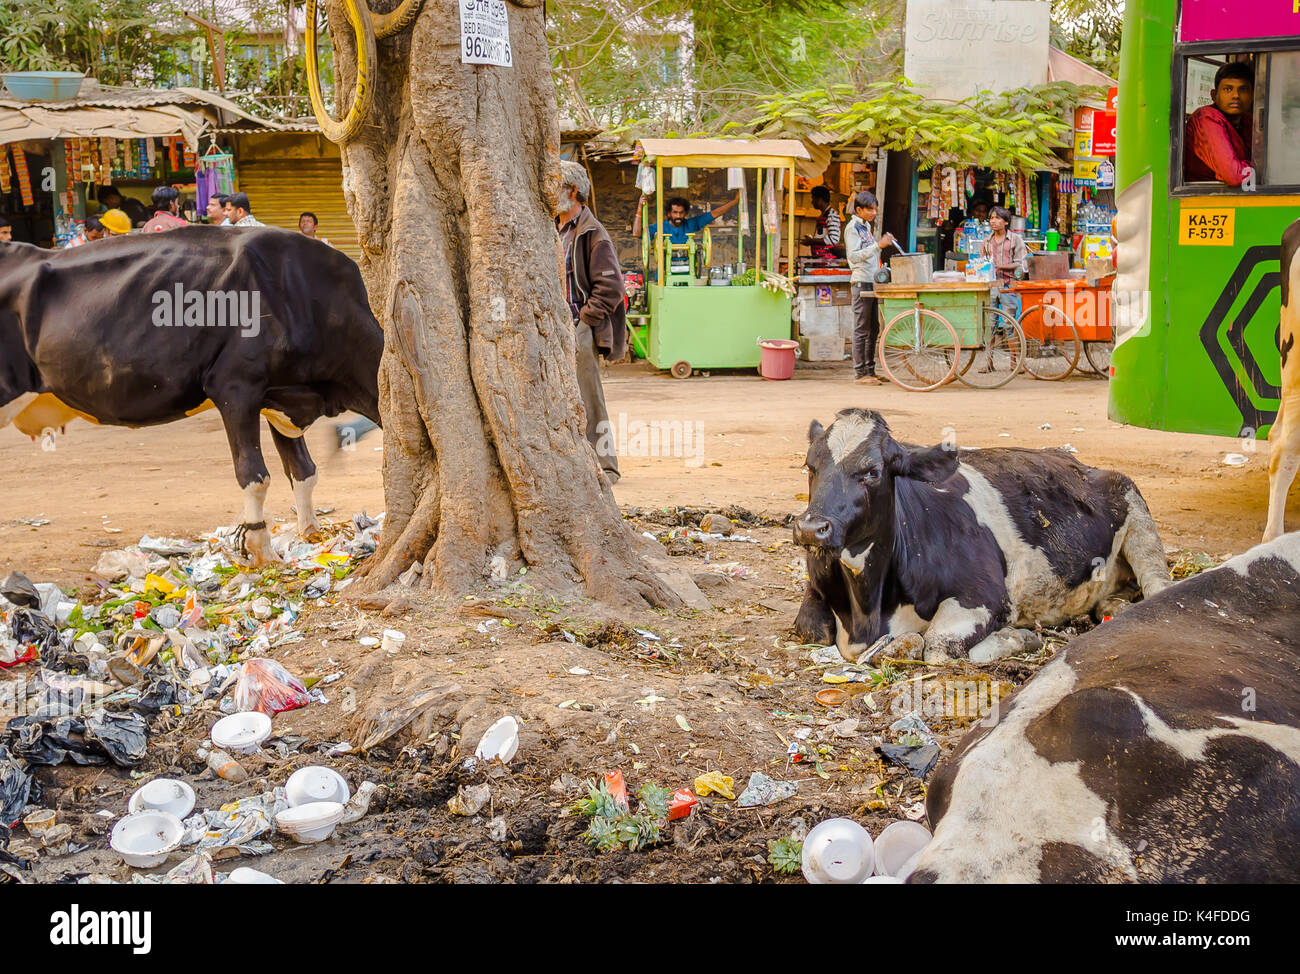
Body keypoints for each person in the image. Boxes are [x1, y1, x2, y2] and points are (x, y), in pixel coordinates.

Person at [557, 160, 625, 485]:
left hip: (579, 328)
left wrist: (584, 321)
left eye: (555, 184)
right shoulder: (557, 229)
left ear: (572, 190)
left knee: (590, 397)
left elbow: (611, 288)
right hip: (556, 330)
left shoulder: (592, 232)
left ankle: (607, 466)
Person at [845, 191, 895, 384]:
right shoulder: (852, 228)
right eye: (869, 209)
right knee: (861, 328)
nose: (874, 212)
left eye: (875, 208)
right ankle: (860, 373)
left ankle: (870, 370)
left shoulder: (865, 227)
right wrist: (878, 245)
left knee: (873, 328)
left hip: (871, 281)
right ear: (859, 210)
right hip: (860, 282)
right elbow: (854, 256)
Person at [631, 191, 741, 276]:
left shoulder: (691, 224)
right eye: (675, 213)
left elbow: (714, 214)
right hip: (663, 276)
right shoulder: (659, 227)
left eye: (681, 213)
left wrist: (735, 201)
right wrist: (640, 207)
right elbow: (636, 233)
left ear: (685, 213)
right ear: (669, 214)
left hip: (687, 274)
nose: (678, 216)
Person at [1185, 61, 1254, 186]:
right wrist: (1264, 168)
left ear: (1253, 95)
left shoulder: (1248, 121)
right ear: (1214, 95)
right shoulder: (1207, 118)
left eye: (1243, 90)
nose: (1236, 96)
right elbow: (1234, 176)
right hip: (1204, 199)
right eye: (1228, 89)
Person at [980, 205, 1027, 318]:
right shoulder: (987, 241)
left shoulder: (1015, 239)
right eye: (991, 218)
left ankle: (1009, 336)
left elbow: (1019, 263)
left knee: (1009, 322)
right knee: (990, 322)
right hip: (991, 287)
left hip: (1008, 286)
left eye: (997, 218)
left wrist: (1000, 267)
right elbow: (982, 262)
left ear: (1006, 222)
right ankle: (993, 336)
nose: (993, 221)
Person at [802, 185, 842, 260]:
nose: (812, 202)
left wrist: (812, 241)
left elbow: (833, 239)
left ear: (819, 199)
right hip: (820, 259)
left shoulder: (832, 215)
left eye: (813, 199)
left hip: (828, 261)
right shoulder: (824, 214)